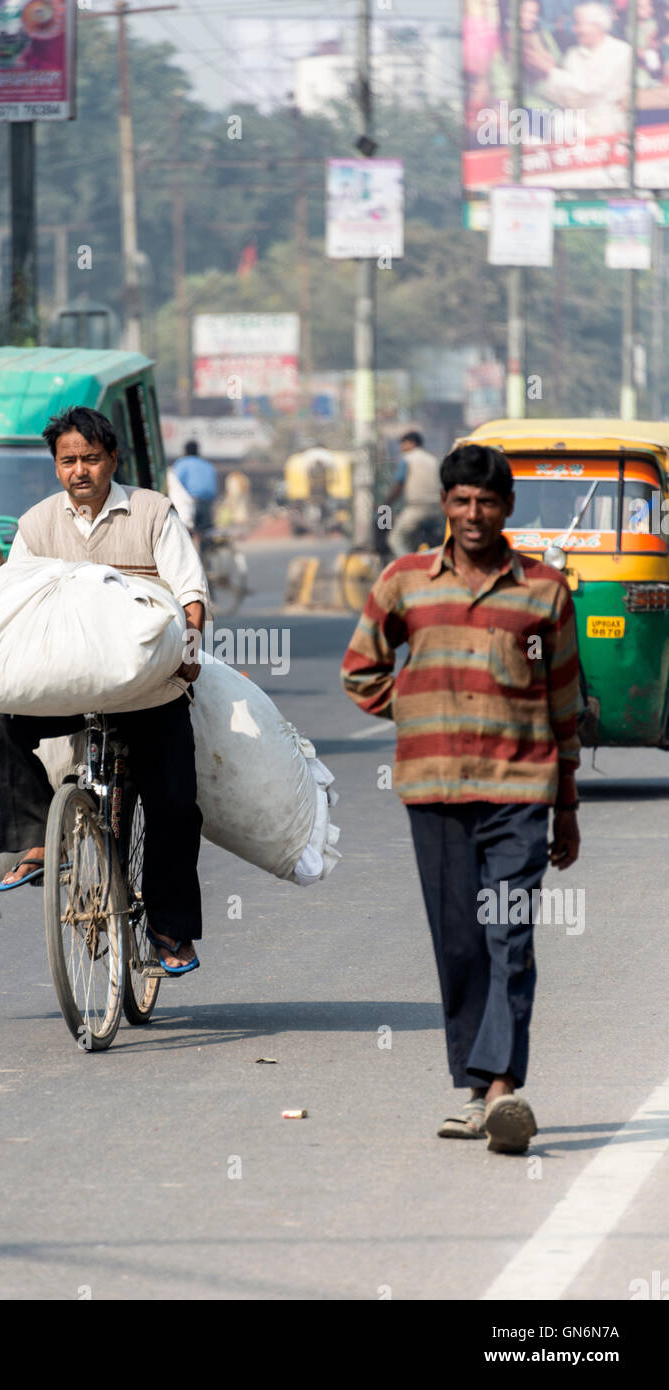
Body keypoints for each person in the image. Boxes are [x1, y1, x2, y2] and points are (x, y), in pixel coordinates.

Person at [341, 443, 581, 1154]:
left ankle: (503, 1090)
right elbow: (361, 671)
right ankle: (475, 1091)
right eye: (459, 501)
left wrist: (565, 803)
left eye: (485, 502)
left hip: (519, 791)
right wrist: (412, 707)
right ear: (444, 507)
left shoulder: (542, 590)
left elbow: (564, 699)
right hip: (434, 789)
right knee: (459, 943)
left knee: (509, 935)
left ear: (506, 509)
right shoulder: (403, 582)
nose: (472, 514)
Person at [0, 406, 211, 976]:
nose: (79, 470)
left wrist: (188, 655)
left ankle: (167, 930)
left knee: (176, 807)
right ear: (56, 467)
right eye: (68, 461)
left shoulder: (154, 512)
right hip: (67, 689)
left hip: (148, 691)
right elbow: (13, 602)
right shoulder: (35, 525)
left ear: (112, 460)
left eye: (90, 458)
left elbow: (190, 592)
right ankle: (39, 838)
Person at [524, 2, 633, 134]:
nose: (575, 30)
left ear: (597, 25)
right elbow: (563, 96)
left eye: (579, 24)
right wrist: (544, 75)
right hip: (575, 124)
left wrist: (550, 72)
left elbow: (593, 89)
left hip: (608, 124)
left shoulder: (621, 51)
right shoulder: (573, 54)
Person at [387, 431, 443, 559]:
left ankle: (408, 566)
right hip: (437, 508)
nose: (401, 447)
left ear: (412, 443)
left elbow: (398, 486)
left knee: (395, 539)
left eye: (403, 443)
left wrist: (387, 502)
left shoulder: (407, 459)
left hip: (417, 508)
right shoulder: (433, 460)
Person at [171, 439, 218, 538]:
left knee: (187, 533)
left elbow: (175, 484)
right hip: (208, 503)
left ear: (185, 451)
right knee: (204, 533)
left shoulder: (181, 463)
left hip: (190, 503)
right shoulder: (207, 465)